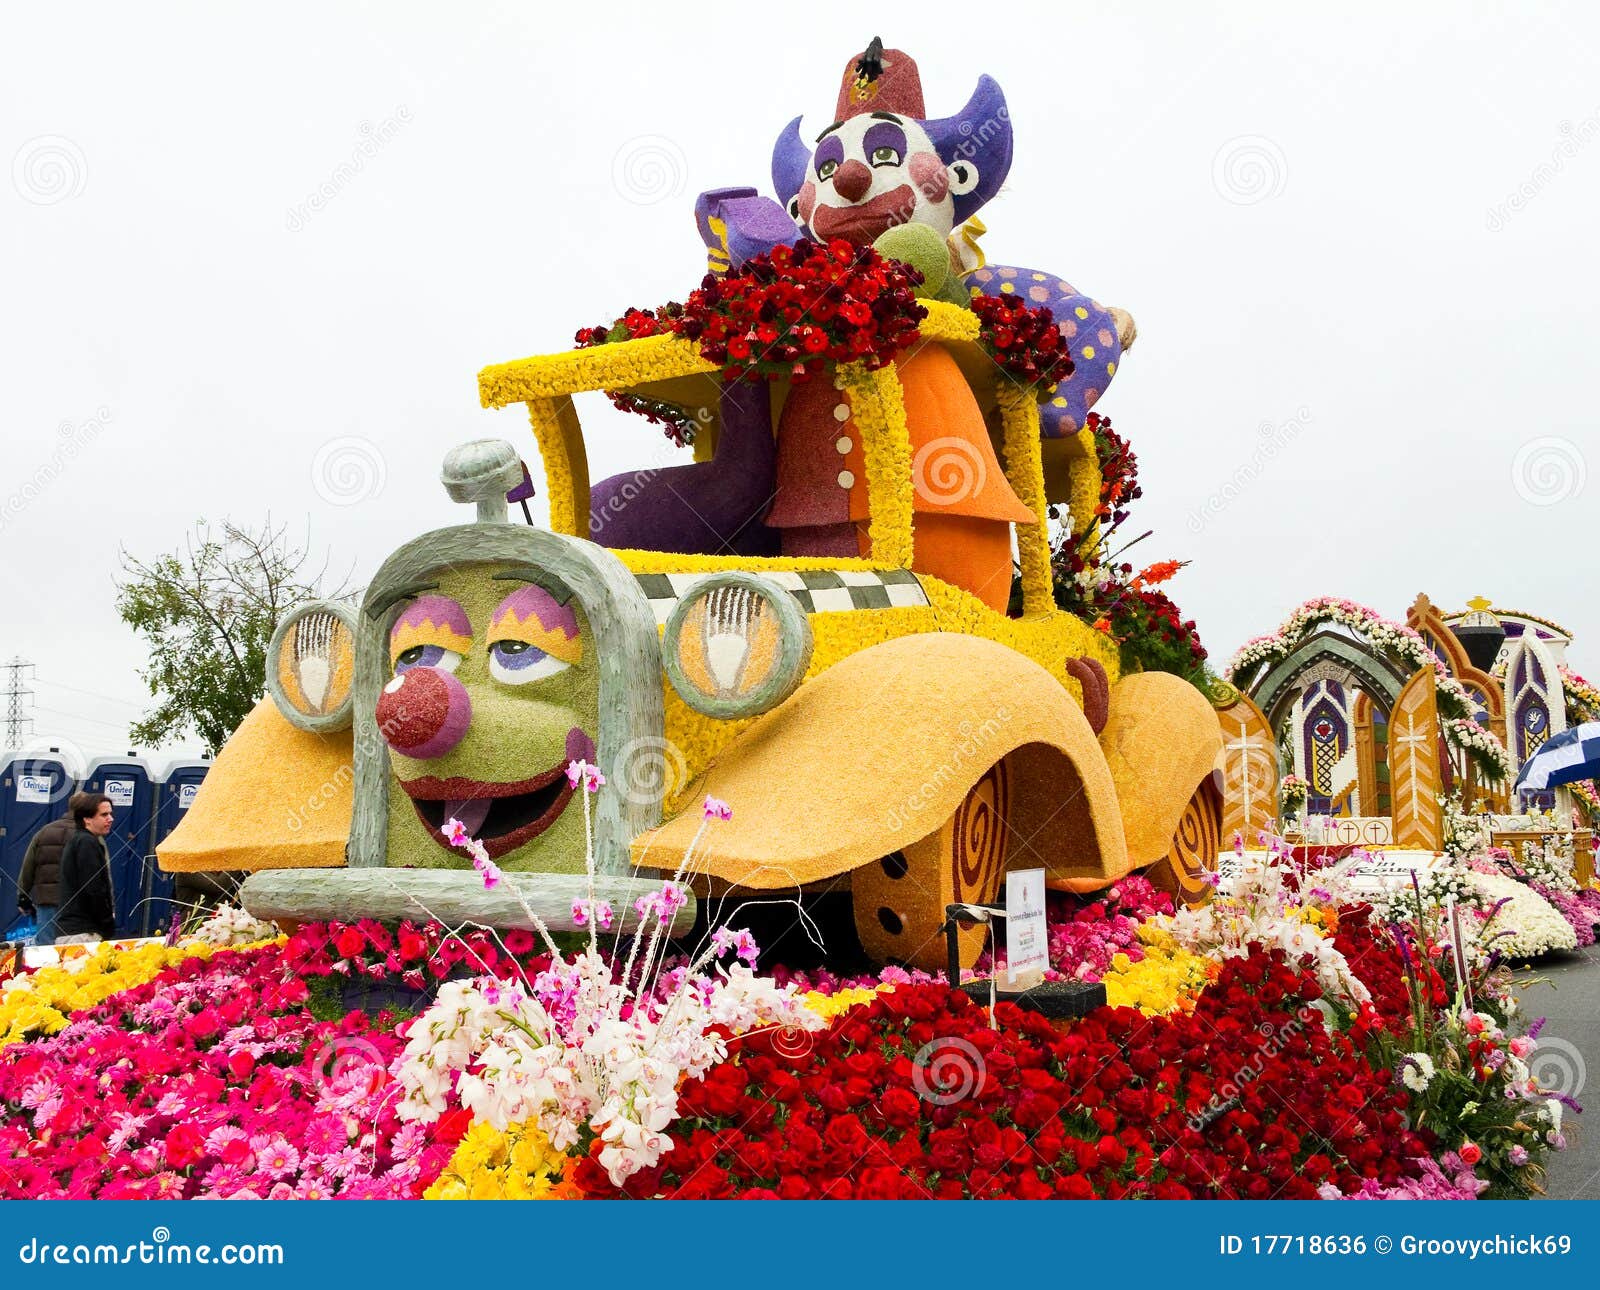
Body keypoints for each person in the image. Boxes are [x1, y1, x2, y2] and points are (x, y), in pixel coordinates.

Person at [55, 792, 116, 945]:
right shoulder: (86, 843)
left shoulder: (81, 840)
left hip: (75, 931)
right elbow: (93, 888)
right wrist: (107, 923)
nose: (110, 819)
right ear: (87, 819)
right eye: (104, 815)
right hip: (83, 934)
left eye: (110, 814)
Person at [17, 814, 73, 945]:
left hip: (47, 900)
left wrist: (22, 897)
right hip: (76, 905)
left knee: (45, 949)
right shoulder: (90, 835)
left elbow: (28, 866)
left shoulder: (44, 832)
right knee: (75, 951)